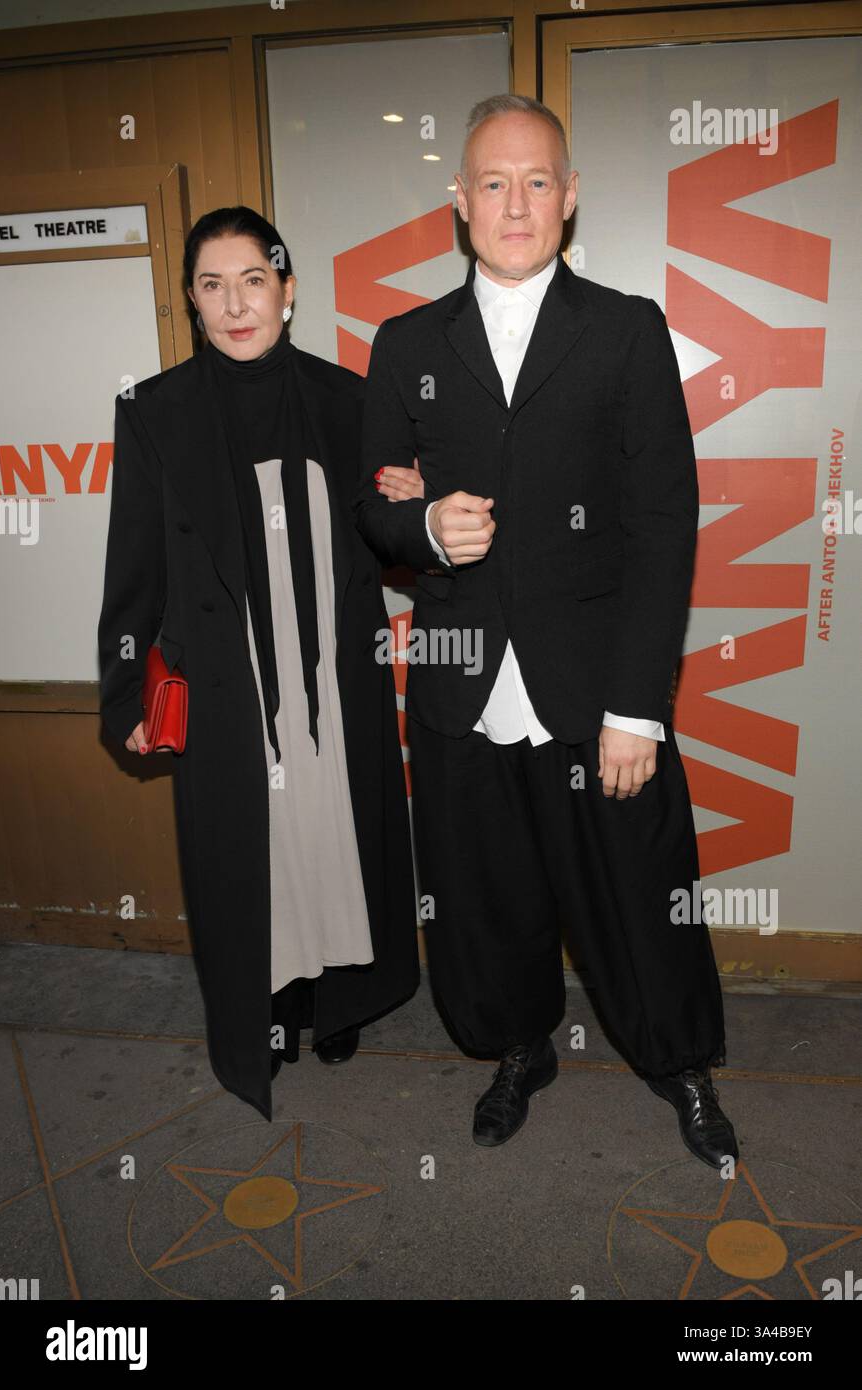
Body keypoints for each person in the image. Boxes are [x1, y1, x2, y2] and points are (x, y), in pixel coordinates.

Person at [354, 96, 738, 1169]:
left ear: (568, 199)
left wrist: (635, 708)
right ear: (458, 204)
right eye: (490, 181)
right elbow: (373, 506)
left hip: (595, 690)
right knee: (486, 895)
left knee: (637, 896)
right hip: (460, 688)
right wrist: (423, 524)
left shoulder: (625, 329)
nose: (513, 202)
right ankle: (518, 1046)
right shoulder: (403, 343)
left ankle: (679, 1061)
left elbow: (663, 524)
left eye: (535, 181)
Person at [97, 206, 420, 1121]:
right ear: (192, 303)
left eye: (252, 280)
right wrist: (124, 684)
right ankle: (269, 1012)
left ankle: (341, 999)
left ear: (288, 287)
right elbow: (135, 565)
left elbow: (390, 535)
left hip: (332, 676)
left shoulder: (348, 399)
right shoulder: (155, 413)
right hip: (232, 685)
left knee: (336, 833)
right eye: (211, 285)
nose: (235, 304)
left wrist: (415, 501)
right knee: (252, 854)